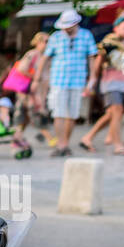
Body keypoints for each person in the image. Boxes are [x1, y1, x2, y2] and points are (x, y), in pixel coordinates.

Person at [33, 9, 98, 156]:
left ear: (75, 23)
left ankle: (65, 144)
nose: (66, 29)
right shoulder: (56, 37)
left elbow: (92, 58)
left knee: (72, 114)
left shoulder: (86, 35)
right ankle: (61, 145)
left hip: (78, 80)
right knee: (59, 113)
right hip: (58, 80)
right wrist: (37, 79)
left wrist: (92, 78)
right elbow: (45, 58)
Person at [80, 15, 124, 155]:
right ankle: (118, 145)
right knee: (117, 112)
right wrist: (91, 84)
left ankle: (87, 138)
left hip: (122, 83)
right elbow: (97, 65)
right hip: (111, 83)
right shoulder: (108, 43)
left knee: (111, 114)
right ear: (116, 28)